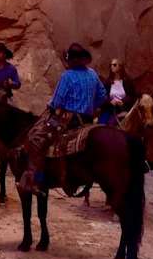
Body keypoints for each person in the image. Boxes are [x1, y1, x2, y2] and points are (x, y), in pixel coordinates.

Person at [19, 43, 105, 193]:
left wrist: (51, 106)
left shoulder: (68, 76)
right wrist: (91, 106)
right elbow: (102, 96)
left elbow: (57, 102)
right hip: (88, 120)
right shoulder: (92, 74)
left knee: (36, 139)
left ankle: (35, 179)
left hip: (69, 119)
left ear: (70, 60)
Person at [98, 58, 137, 126]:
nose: (112, 67)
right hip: (110, 109)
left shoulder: (127, 81)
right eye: (111, 65)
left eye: (114, 65)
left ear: (120, 67)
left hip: (124, 109)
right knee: (101, 125)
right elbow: (103, 96)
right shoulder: (108, 82)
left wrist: (123, 101)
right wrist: (110, 101)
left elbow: (132, 96)